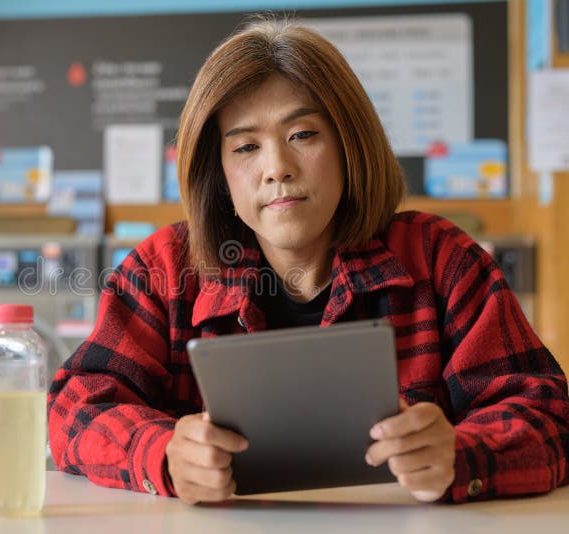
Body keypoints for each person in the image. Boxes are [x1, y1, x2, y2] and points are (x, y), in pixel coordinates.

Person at [48, 18, 569, 504]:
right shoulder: (164, 268)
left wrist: (461, 453)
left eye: (303, 135)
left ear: (349, 144)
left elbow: (548, 415)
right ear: (218, 172)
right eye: (245, 147)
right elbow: (74, 407)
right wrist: (162, 454)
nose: (277, 168)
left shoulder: (440, 259)